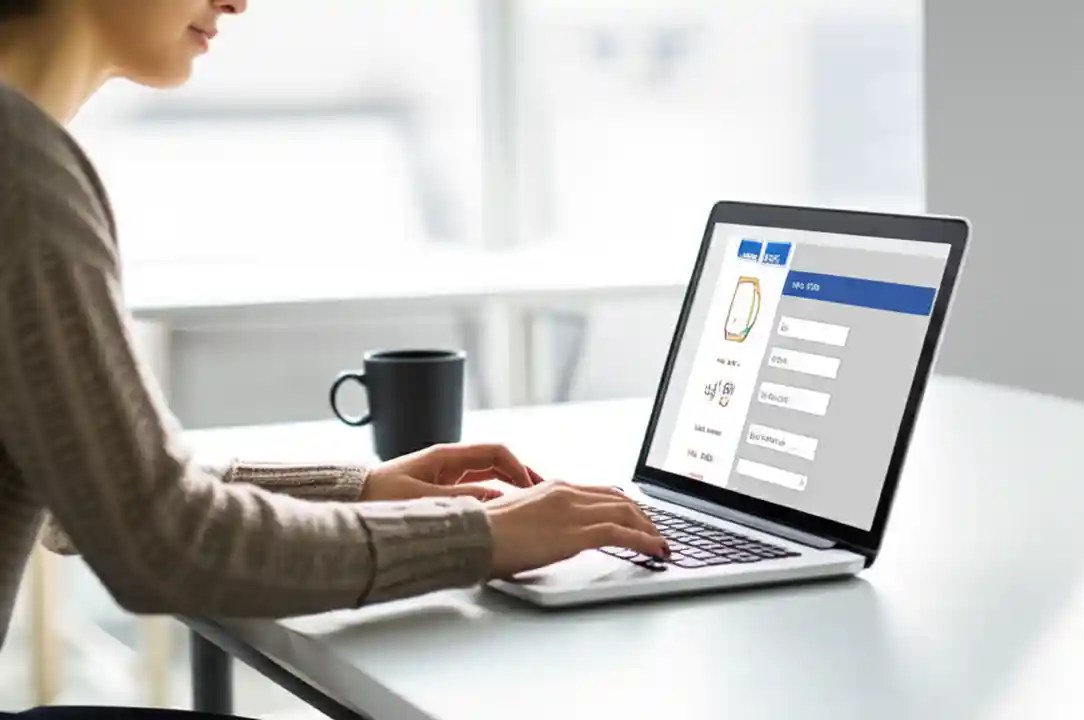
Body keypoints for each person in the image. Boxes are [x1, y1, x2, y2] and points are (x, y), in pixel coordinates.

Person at [0, 1, 671, 716]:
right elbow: (165, 543)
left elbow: (78, 500)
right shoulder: (20, 165)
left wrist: (358, 490)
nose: (237, 1)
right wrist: (481, 536)